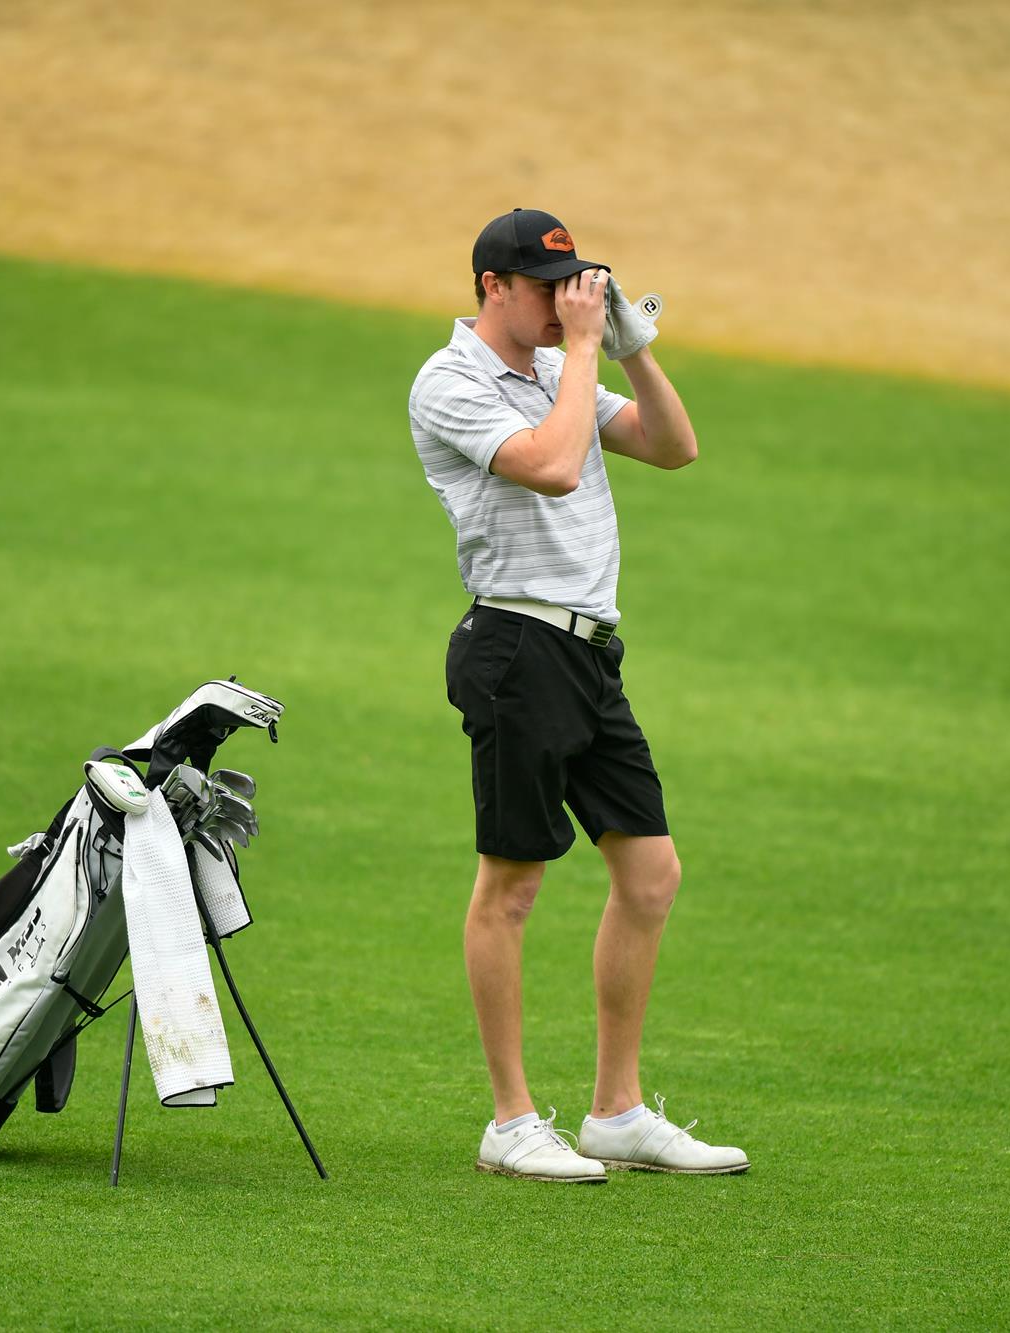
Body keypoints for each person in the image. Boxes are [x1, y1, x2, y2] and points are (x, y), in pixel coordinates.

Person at [408, 209, 750, 1182]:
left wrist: (631, 353)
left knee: (650, 876)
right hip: (512, 647)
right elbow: (553, 468)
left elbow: (671, 445)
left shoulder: (562, 368)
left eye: (572, 282)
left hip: (589, 655)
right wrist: (586, 349)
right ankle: (510, 1119)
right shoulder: (449, 382)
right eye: (540, 284)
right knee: (511, 884)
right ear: (491, 287)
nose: (563, 301)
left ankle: (615, 1110)